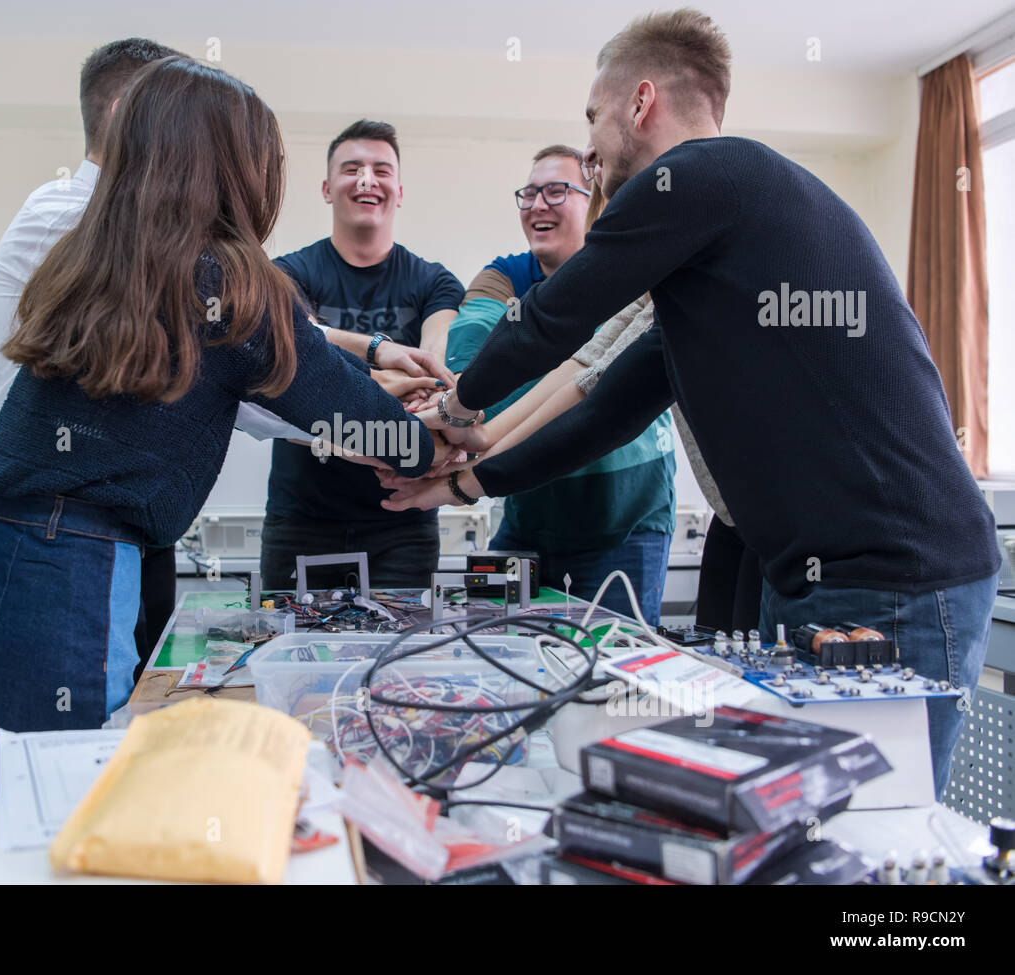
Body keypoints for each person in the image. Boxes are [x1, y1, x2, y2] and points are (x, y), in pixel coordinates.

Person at [383, 8, 1000, 798]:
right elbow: (610, 409)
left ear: (641, 102)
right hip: (820, 578)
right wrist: (464, 482)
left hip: (897, 580)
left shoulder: (706, 175)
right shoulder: (713, 256)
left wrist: (459, 409)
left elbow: (553, 317)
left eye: (593, 117)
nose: (593, 148)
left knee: (873, 835)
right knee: (790, 828)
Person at [0, 58, 434, 837]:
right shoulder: (229, 279)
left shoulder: (97, 258)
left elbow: (265, 394)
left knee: (10, 832)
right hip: (73, 582)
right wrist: (435, 441)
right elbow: (355, 418)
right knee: (70, 829)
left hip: (1, 561)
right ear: (235, 168)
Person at [0, 40, 441, 680]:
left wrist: (371, 398)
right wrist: (433, 447)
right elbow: (308, 383)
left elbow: (256, 386)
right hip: (69, 559)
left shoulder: (116, 249)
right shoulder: (209, 275)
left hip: (33, 546)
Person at [437, 145, 676, 622]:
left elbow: (601, 394)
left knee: (610, 672)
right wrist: (457, 415)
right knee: (490, 653)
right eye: (528, 194)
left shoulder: (632, 271)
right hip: (528, 517)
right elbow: (466, 360)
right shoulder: (503, 276)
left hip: (625, 523)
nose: (537, 204)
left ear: (592, 202)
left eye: (556, 191)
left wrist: (478, 416)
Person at [260, 120, 465, 591]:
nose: (367, 179)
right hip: (301, 521)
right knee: (290, 657)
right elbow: (293, 379)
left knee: (400, 660)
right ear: (328, 188)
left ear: (399, 190)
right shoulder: (285, 275)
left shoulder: (435, 282)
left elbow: (437, 370)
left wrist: (426, 399)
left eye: (381, 169)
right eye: (352, 169)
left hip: (404, 518)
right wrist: (393, 424)